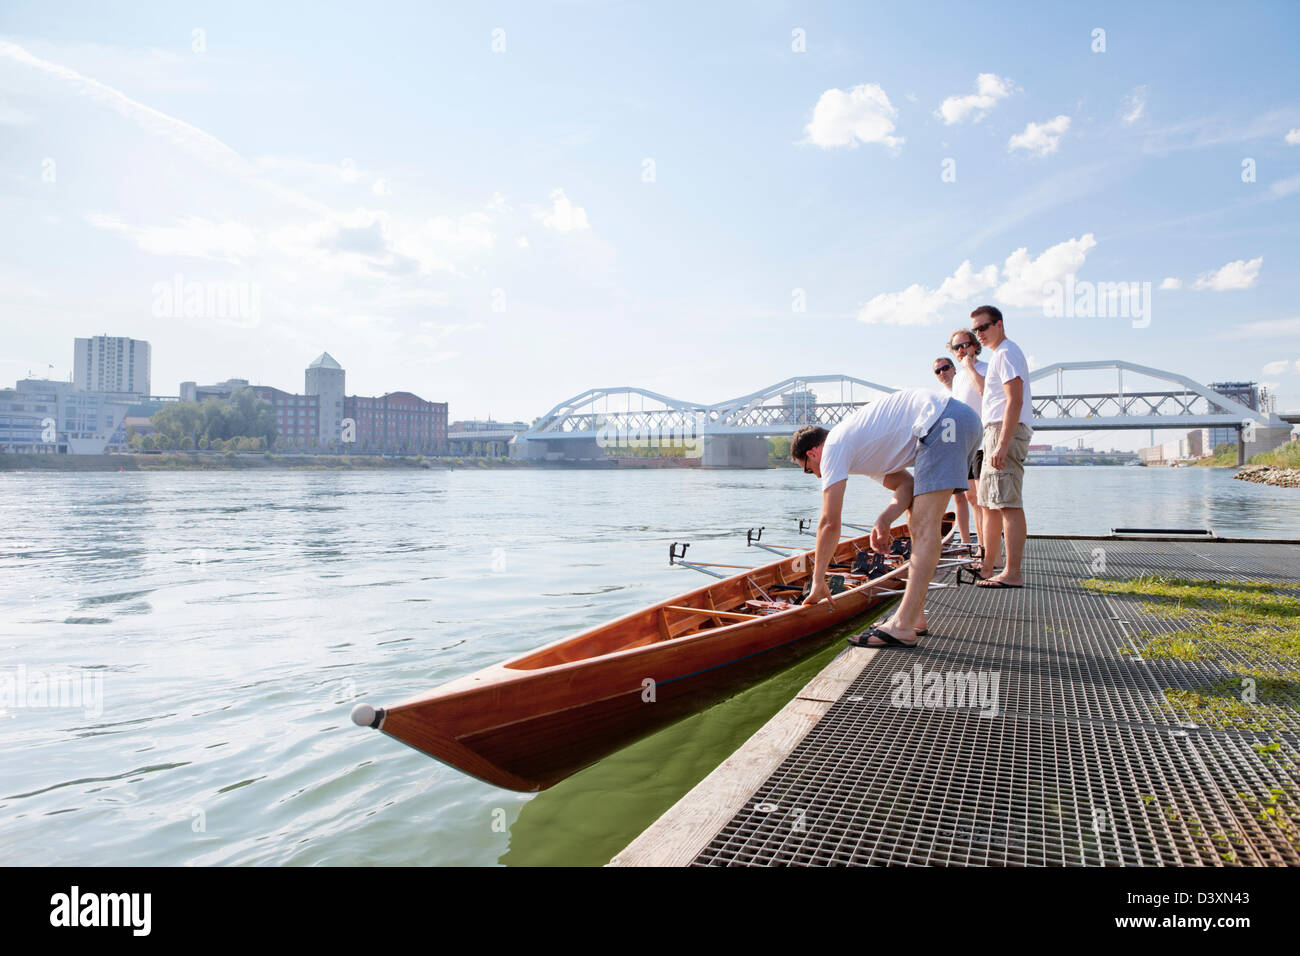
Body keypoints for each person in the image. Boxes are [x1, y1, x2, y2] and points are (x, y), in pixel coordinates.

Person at [791, 386, 981, 647]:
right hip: (960, 419)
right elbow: (906, 486)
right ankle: (915, 618)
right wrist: (886, 518)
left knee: (925, 527)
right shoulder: (860, 449)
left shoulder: (834, 445)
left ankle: (902, 626)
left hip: (943, 420)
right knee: (917, 522)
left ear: (812, 453)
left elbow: (829, 522)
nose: (815, 474)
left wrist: (818, 579)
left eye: (807, 469)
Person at [968, 305, 1033, 588]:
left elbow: (1014, 400)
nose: (979, 334)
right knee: (989, 502)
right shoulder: (1000, 356)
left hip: (1004, 432)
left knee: (1007, 503)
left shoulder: (1006, 353)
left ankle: (1012, 572)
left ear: (999, 325)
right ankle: (988, 566)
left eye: (983, 327)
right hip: (993, 431)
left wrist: (1002, 444)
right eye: (975, 330)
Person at [947, 328, 989, 554]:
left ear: (975, 346)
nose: (961, 350)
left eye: (965, 345)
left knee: (984, 500)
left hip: (982, 443)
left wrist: (970, 367)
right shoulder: (959, 378)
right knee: (972, 498)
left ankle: (989, 551)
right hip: (963, 445)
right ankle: (981, 546)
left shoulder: (985, 369)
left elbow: (985, 392)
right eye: (956, 347)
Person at [931, 355, 971, 544]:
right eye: (938, 371)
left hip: (972, 446)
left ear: (954, 368)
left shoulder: (967, 387)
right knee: (958, 498)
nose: (942, 373)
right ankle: (964, 541)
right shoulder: (939, 397)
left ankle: (982, 543)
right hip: (951, 450)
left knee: (976, 498)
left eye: (945, 368)